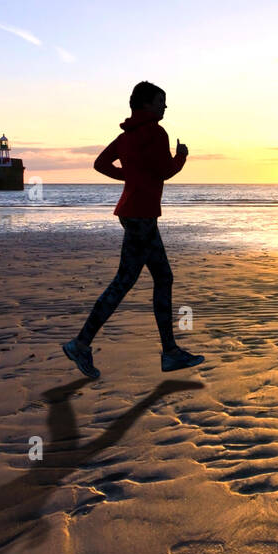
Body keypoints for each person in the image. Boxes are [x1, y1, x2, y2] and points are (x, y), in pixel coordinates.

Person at [62, 81, 204, 379]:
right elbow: (165, 170)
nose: (165, 107)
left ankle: (86, 344)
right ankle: (166, 353)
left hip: (131, 213)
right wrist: (182, 156)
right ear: (147, 105)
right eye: (161, 101)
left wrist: (129, 176)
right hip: (141, 215)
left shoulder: (126, 135)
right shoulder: (155, 131)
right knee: (144, 280)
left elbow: (101, 164)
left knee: (135, 280)